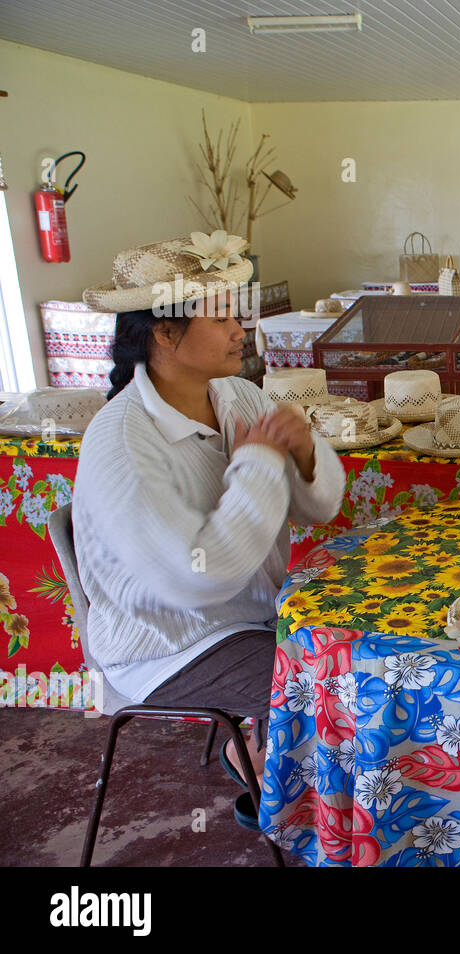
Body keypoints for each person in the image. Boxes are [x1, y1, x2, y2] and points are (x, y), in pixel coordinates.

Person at [73, 233, 346, 829]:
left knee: (347, 638)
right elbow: (198, 575)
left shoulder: (237, 395)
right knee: (337, 679)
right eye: (221, 317)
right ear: (164, 333)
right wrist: (256, 466)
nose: (239, 330)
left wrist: (302, 454)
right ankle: (302, 802)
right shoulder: (122, 442)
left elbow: (318, 507)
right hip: (168, 643)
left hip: (242, 618)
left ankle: (260, 755)